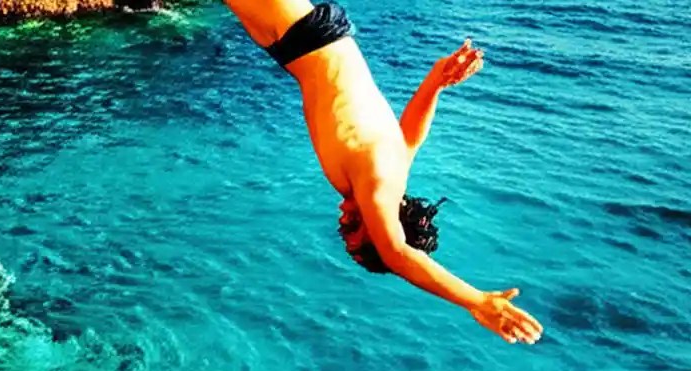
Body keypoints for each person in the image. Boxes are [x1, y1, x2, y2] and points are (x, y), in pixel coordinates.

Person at [223, 0, 543, 345]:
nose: (341, 215)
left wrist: (434, 82)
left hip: (294, 50)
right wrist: (475, 300)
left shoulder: (393, 168)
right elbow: (398, 253)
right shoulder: (377, 184)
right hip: (312, 38)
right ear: (382, 224)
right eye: (352, 225)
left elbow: (411, 135)